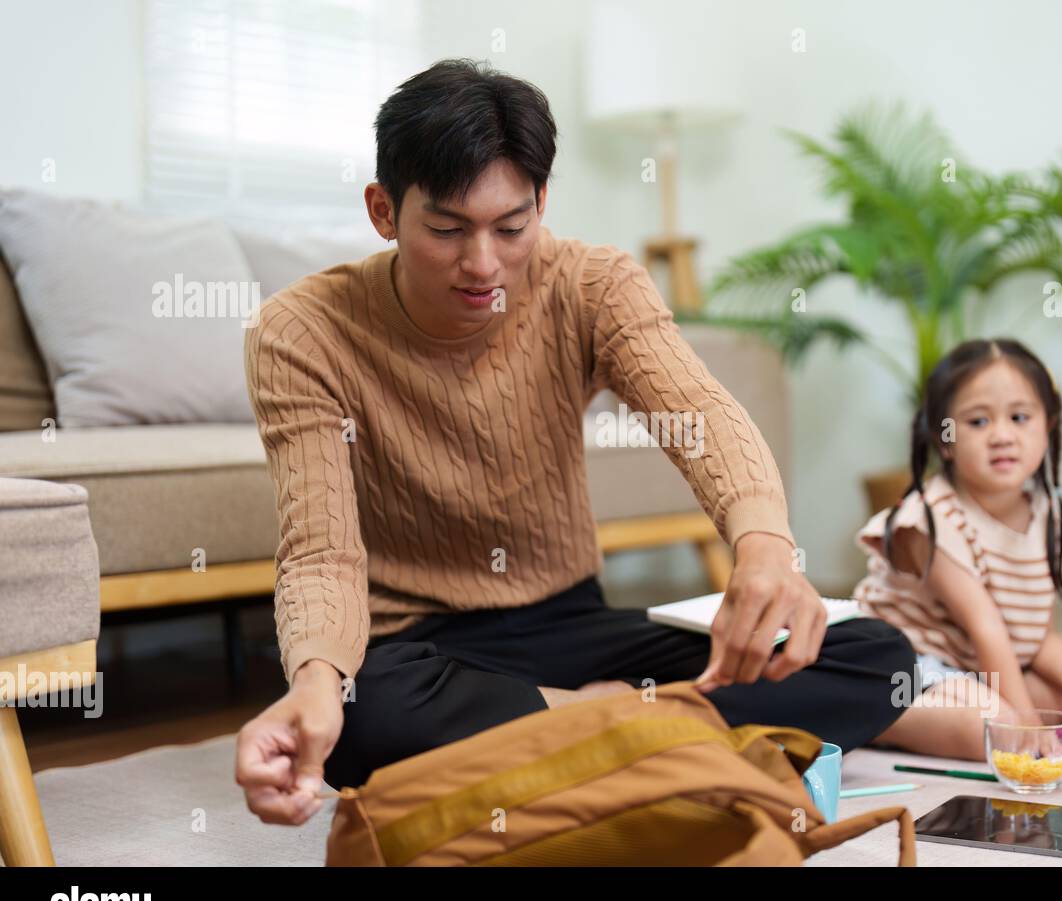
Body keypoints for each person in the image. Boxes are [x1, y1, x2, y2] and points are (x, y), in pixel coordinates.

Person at [235, 58, 918, 826]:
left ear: (542, 202)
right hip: (415, 647)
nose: (483, 263)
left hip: (569, 622)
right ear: (383, 211)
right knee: (365, 721)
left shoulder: (593, 284)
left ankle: (592, 738)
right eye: (448, 228)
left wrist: (764, 543)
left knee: (874, 654)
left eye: (512, 227)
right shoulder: (302, 332)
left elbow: (697, 412)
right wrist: (318, 685)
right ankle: (646, 736)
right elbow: (320, 553)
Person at [857, 338, 1062, 762]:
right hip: (909, 667)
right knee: (999, 731)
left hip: (975, 668)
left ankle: (989, 705)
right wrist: (1022, 718)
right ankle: (869, 715)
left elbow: (1034, 631)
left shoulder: (1046, 516)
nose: (1002, 436)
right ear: (944, 439)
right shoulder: (931, 516)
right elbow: (985, 626)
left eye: (1020, 417)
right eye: (978, 422)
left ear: (1048, 426)